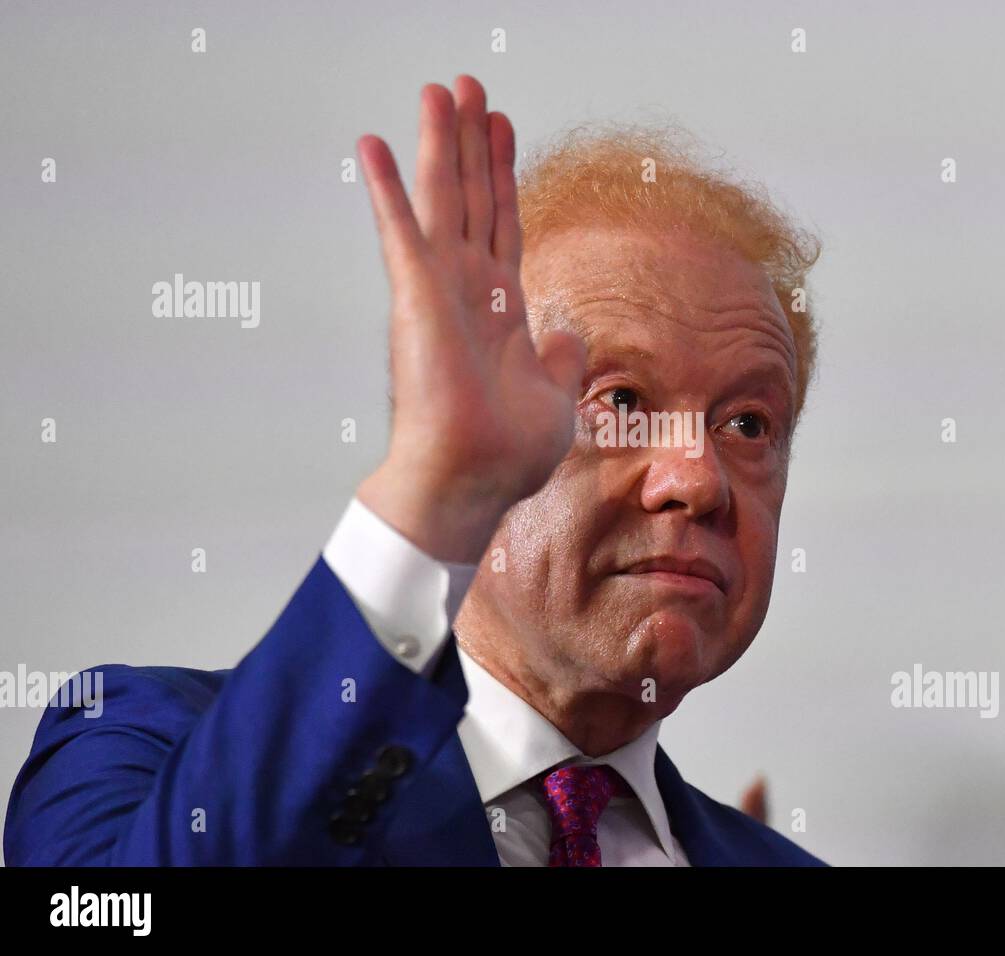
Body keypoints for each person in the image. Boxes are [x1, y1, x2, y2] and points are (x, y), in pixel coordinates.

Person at [4, 75, 825, 866]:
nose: (700, 477)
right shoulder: (139, 746)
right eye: (621, 400)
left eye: (748, 424)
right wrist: (432, 511)